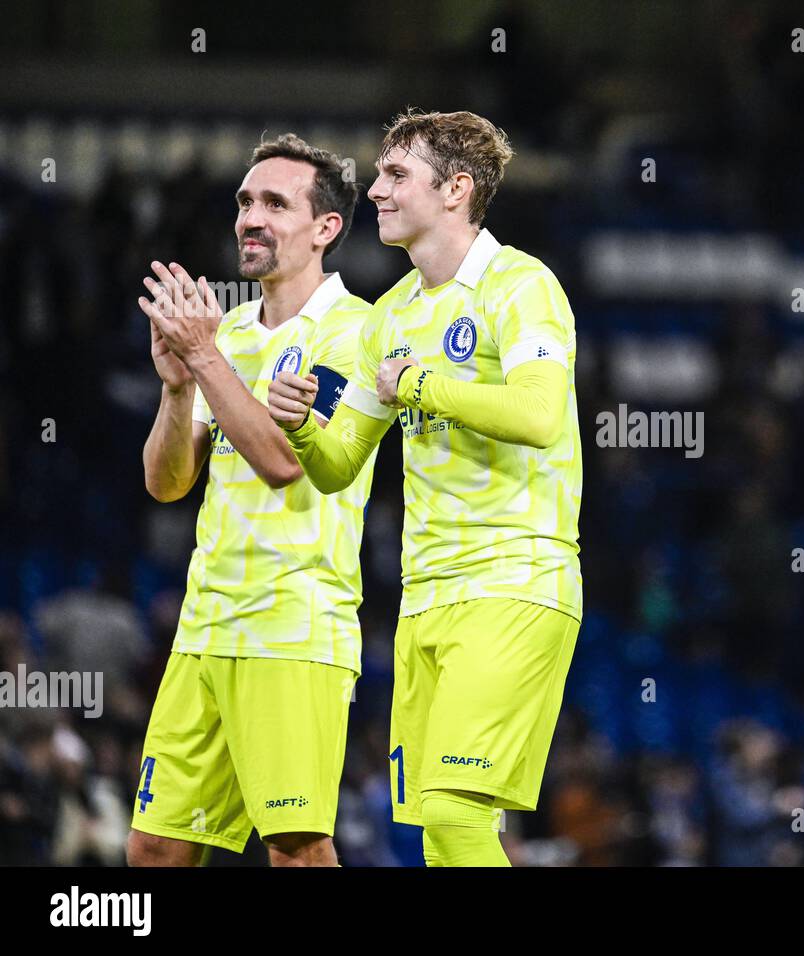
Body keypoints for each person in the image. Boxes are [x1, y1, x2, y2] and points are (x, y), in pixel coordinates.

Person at [267, 110, 582, 867]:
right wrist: (305, 426)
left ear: (456, 189)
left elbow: (539, 416)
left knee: (452, 813)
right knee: (439, 838)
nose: (374, 189)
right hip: (426, 597)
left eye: (395, 174)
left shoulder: (522, 287)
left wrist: (422, 384)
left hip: (516, 577)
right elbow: (342, 464)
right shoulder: (390, 318)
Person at [131, 134, 374, 866]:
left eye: (274, 203)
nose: (250, 219)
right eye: (244, 202)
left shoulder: (356, 332)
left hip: (293, 627)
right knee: (153, 850)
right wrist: (178, 389)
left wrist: (202, 358)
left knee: (296, 850)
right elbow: (167, 482)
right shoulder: (228, 333)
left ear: (325, 228)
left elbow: (280, 463)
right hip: (207, 625)